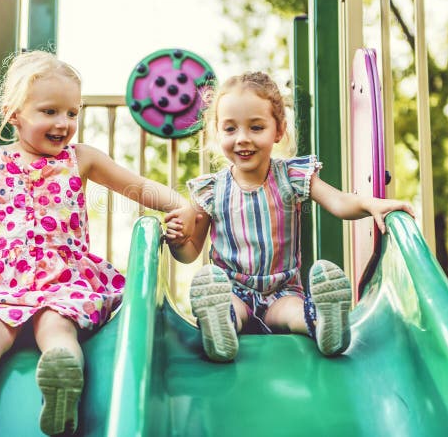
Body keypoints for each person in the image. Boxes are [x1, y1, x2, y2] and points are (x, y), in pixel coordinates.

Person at [0, 51, 196, 434]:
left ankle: (63, 389)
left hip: (63, 278)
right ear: (14, 112)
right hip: (2, 282)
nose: (64, 123)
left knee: (56, 326)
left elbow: (134, 185)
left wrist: (178, 204)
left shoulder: (79, 158)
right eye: (49, 112)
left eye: (72, 112)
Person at [165, 71, 415, 363]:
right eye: (230, 129)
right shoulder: (210, 189)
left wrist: (372, 204)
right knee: (228, 306)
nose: (242, 139)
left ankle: (324, 324)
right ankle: (221, 329)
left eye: (256, 127)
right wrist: (178, 240)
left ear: (278, 130)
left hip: (282, 291)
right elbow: (190, 251)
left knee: (293, 312)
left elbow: (337, 201)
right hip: (232, 287)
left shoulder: (291, 176)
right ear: (217, 133)